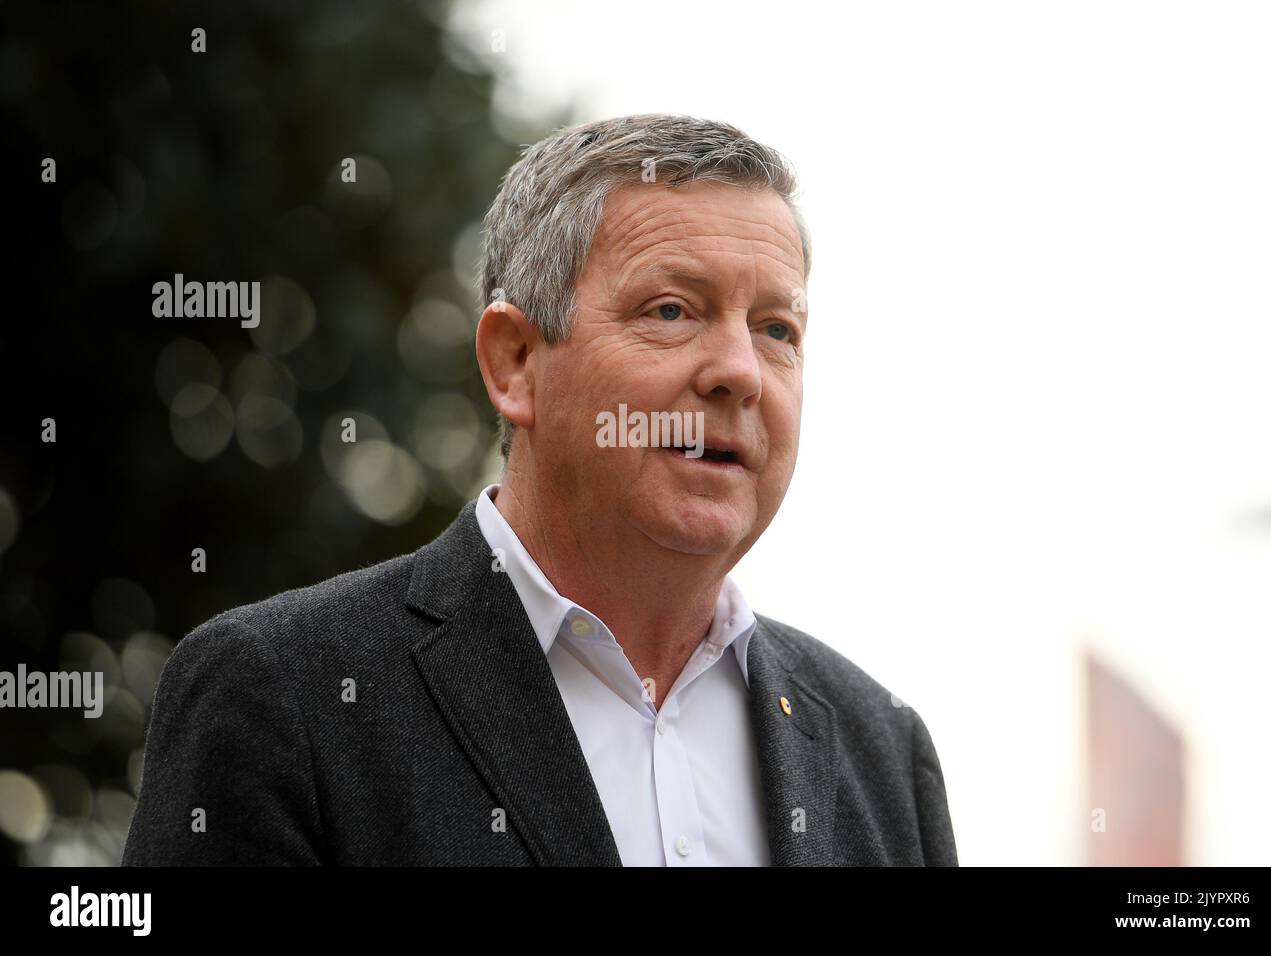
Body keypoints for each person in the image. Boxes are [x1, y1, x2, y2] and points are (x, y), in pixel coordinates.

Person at [123, 113, 958, 866]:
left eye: (777, 330)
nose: (740, 371)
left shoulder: (882, 753)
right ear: (515, 362)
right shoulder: (280, 695)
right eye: (672, 310)